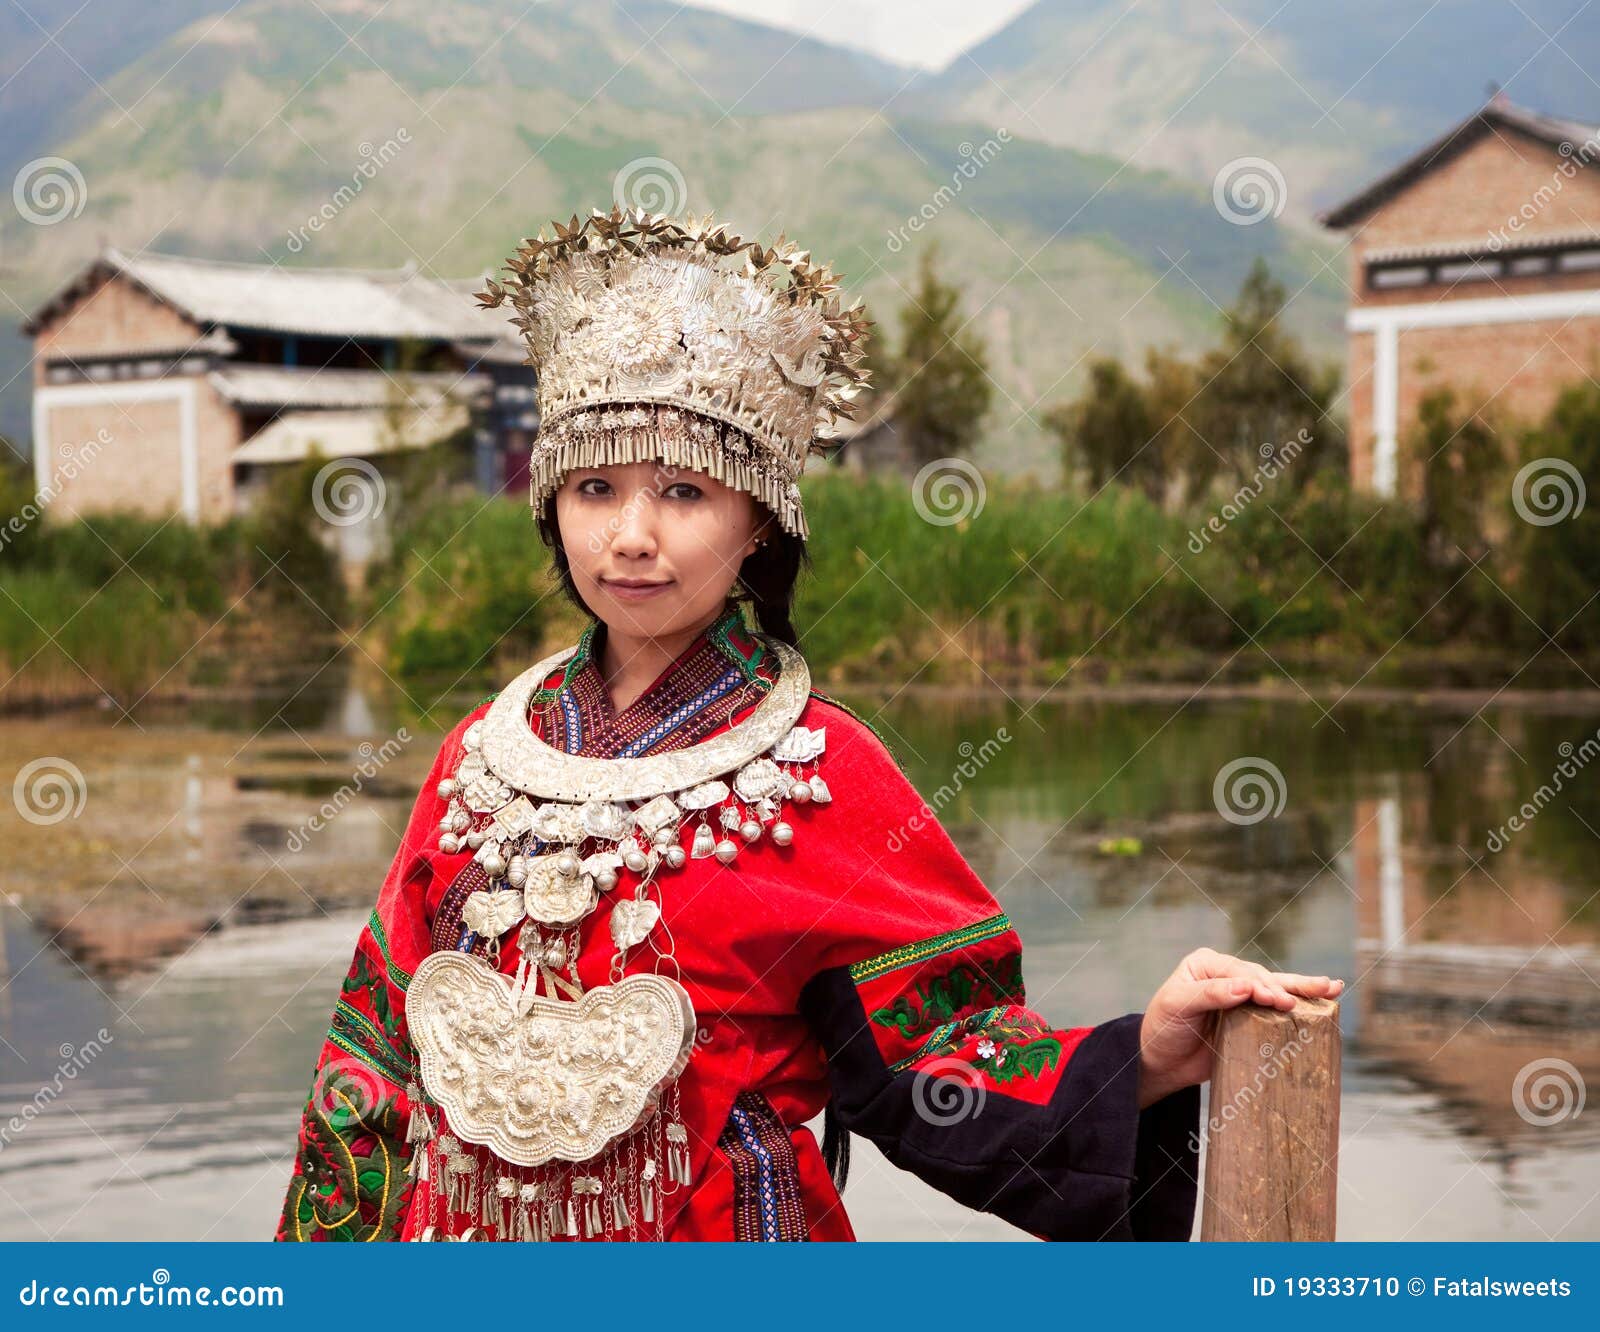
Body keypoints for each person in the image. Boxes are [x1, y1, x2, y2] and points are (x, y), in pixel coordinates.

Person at [274, 207, 1342, 1243]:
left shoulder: (823, 770)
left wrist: (1140, 1057)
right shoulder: (478, 760)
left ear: (757, 523)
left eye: (683, 491)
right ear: (551, 504)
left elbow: (938, 1050)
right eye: (595, 486)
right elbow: (370, 1061)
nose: (631, 536)